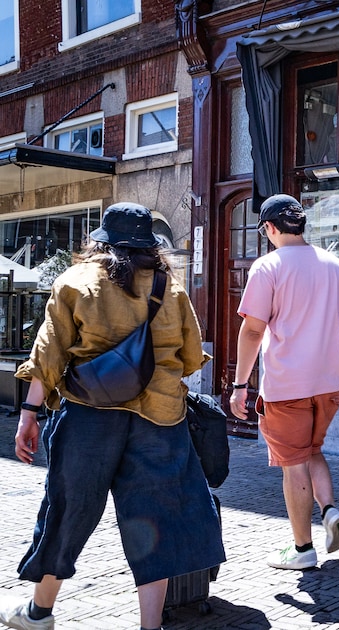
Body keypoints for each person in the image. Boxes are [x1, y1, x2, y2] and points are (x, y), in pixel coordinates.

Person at [3, 203, 223, 630]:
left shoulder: (76, 281)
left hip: (89, 415)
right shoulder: (170, 288)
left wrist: (29, 413)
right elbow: (193, 355)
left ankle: (40, 613)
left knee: (69, 510)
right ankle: (149, 626)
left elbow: (47, 355)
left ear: (101, 239)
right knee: (156, 519)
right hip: (161, 418)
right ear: (148, 245)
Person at [230, 193, 339, 571]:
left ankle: (302, 548)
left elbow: (253, 331)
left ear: (270, 227)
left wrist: (240, 385)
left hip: (288, 385)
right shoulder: (334, 264)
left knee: (293, 463)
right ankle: (330, 510)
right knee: (312, 449)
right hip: (331, 382)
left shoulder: (267, 267)